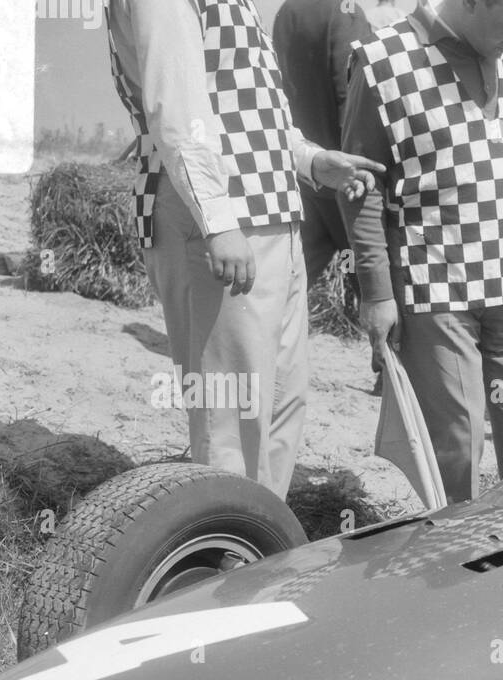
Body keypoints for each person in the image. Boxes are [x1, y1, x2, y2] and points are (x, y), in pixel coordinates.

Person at [106, 0, 384, 498]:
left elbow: (250, 108)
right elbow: (179, 112)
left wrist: (313, 161)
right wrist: (217, 222)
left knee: (279, 399)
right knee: (230, 414)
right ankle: (226, 554)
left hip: (269, 208)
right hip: (219, 214)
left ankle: (258, 540)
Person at [341, 0, 503, 504]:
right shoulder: (383, 61)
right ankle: (451, 558)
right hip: (435, 286)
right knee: (455, 440)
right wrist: (377, 292)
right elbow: (361, 187)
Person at [272, 0, 373, 287]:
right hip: (338, 164)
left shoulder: (287, 11)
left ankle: (277, 322)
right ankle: (357, 311)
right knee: (355, 260)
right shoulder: (345, 10)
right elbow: (350, 88)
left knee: (306, 261)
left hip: (305, 165)